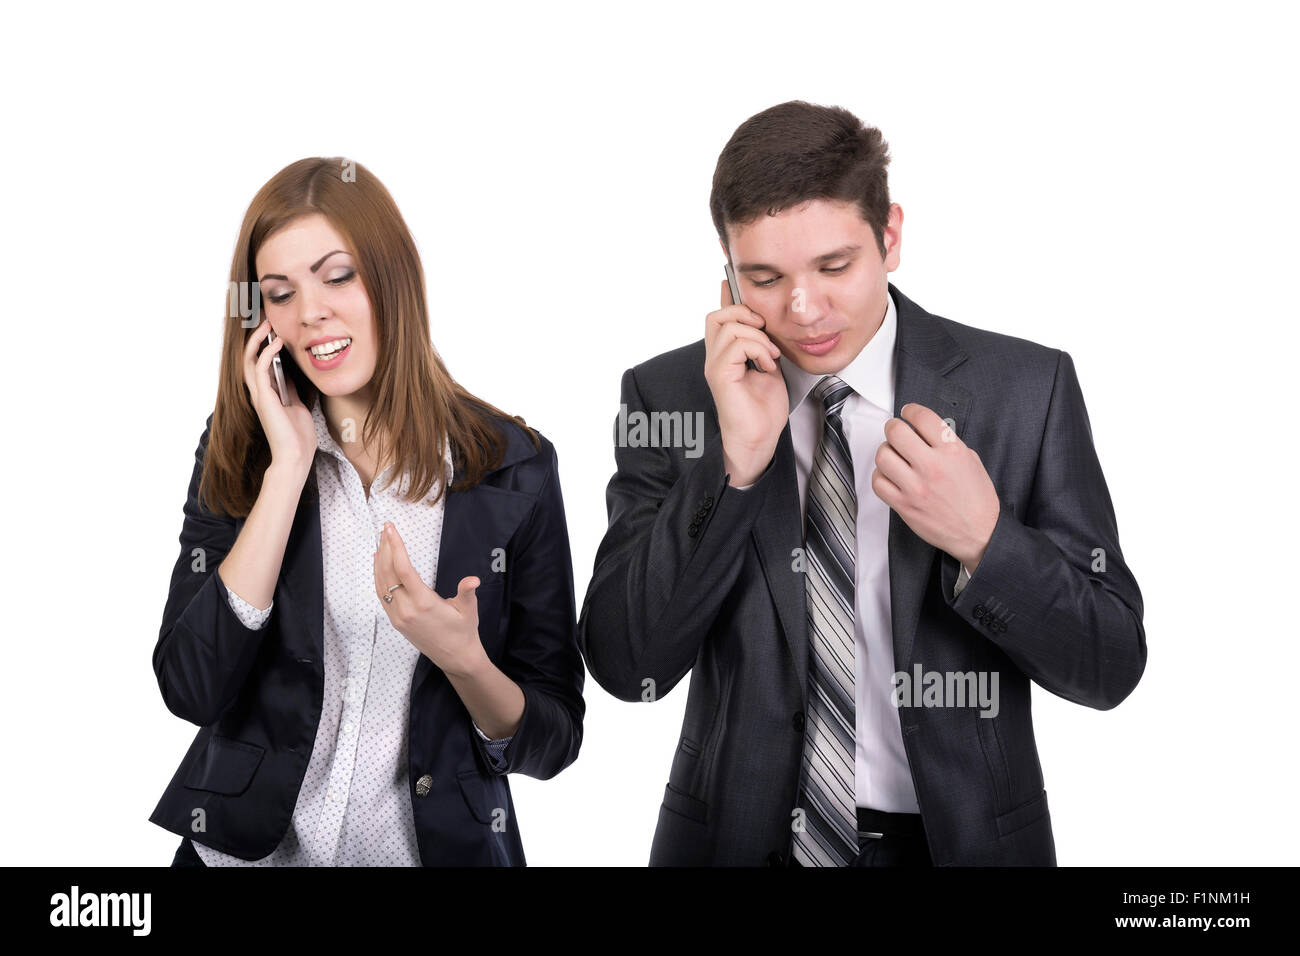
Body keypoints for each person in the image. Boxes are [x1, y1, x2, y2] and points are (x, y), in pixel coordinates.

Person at [578, 101, 1146, 866]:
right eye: (765, 278)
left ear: (892, 237)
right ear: (726, 273)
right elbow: (625, 664)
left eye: (835, 266)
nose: (804, 309)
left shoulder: (1025, 389)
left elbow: (1109, 664)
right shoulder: (672, 397)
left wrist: (985, 540)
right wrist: (735, 466)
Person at [150, 157, 584, 866]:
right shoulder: (243, 449)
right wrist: (287, 471)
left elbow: (554, 738)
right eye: (280, 293)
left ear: (392, 277)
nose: (310, 311)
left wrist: (465, 662)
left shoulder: (516, 467)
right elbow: (190, 687)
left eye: (337, 275)